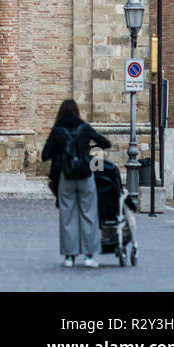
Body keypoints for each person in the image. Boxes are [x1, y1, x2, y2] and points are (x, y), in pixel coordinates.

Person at [41, 97, 111, 268]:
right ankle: (88, 257)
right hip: (86, 176)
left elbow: (45, 154)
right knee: (89, 215)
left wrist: (61, 155)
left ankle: (70, 257)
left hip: (66, 177)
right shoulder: (84, 128)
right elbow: (104, 142)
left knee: (67, 217)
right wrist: (89, 154)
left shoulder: (58, 130)